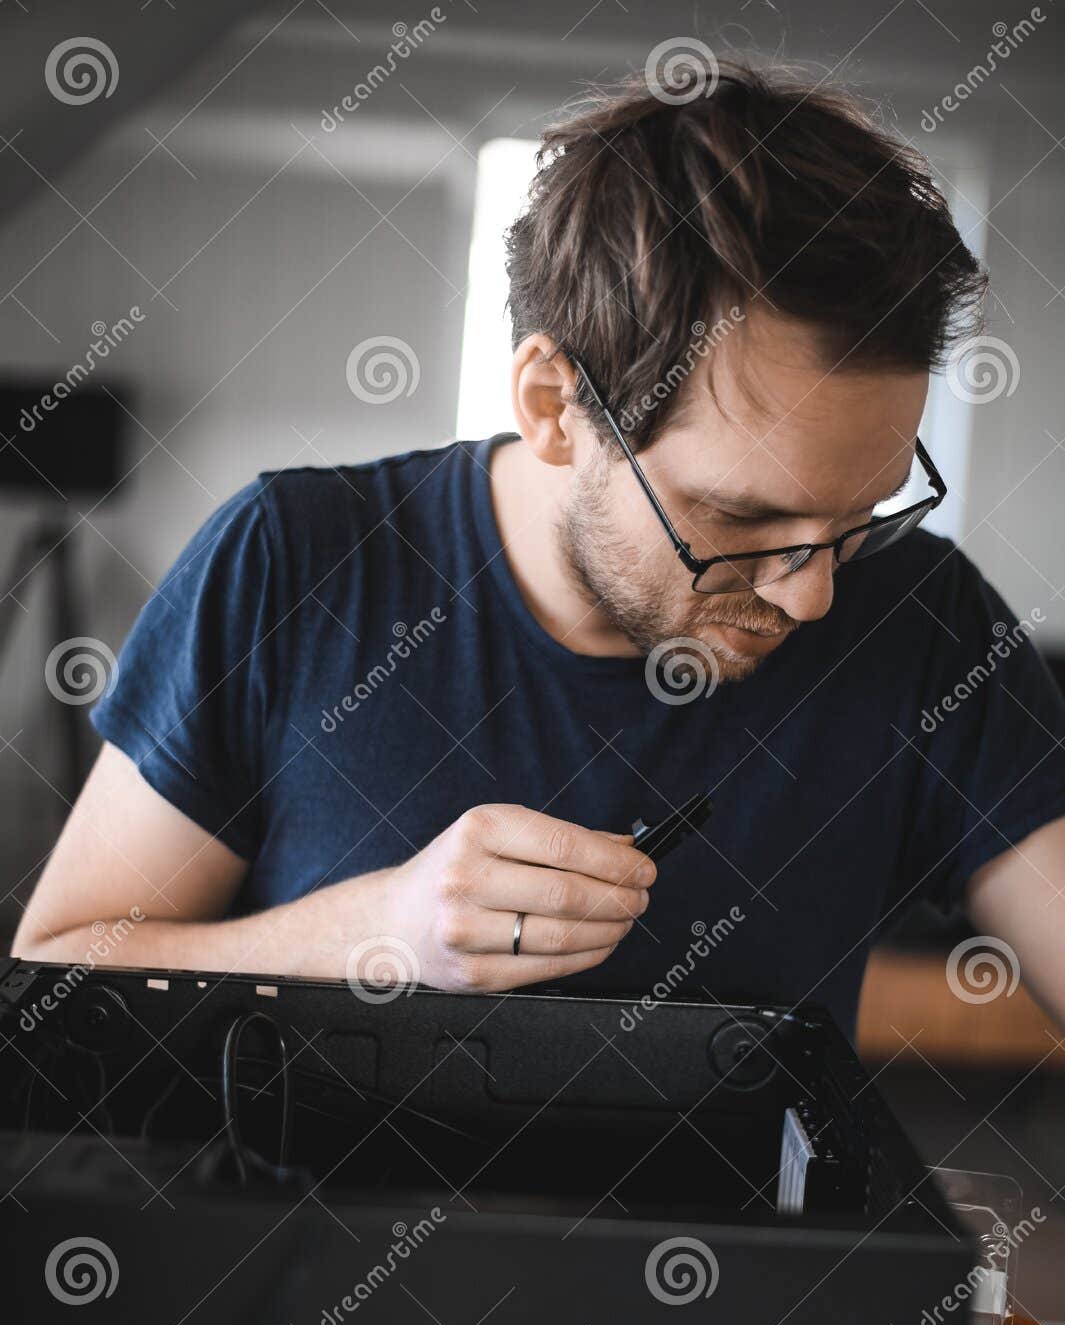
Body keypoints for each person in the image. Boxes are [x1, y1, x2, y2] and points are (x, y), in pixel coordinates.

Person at [15, 60, 1065, 1042]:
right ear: (556, 405)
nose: (815, 596)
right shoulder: (293, 561)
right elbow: (59, 980)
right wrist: (373, 934)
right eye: (741, 522)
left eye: (862, 515)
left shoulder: (930, 625)